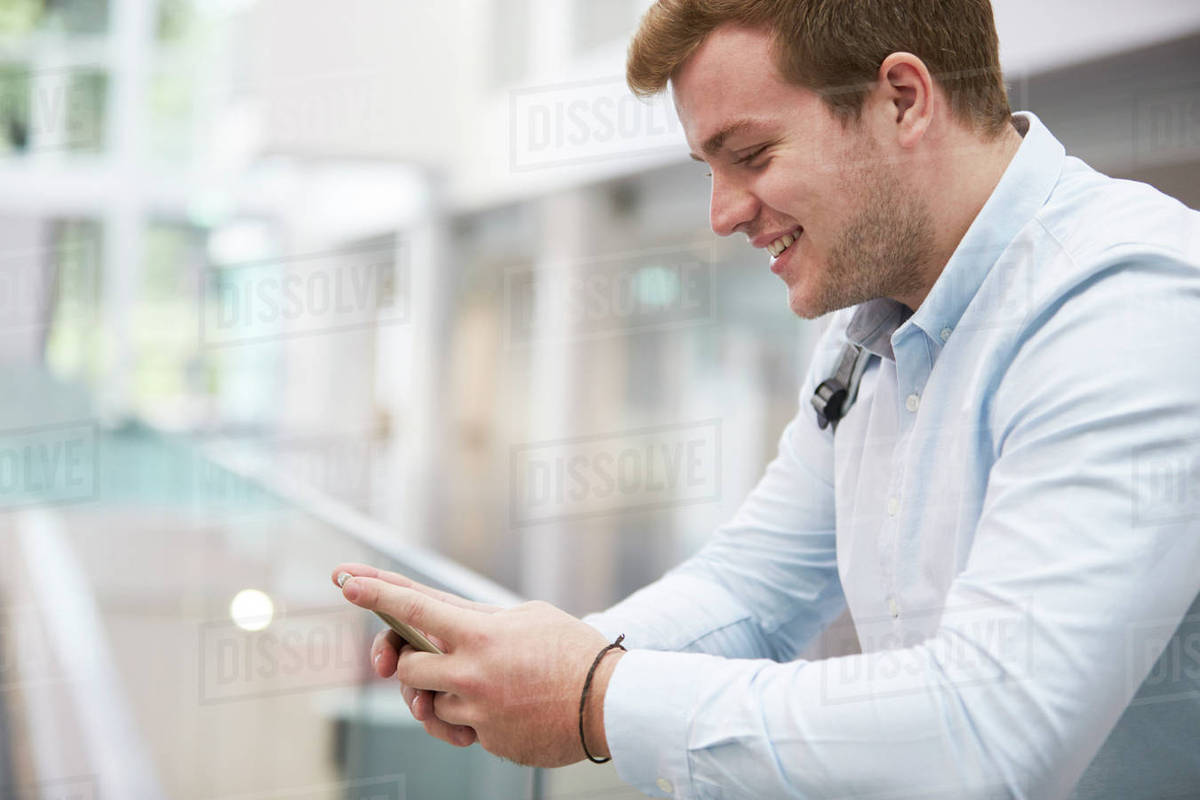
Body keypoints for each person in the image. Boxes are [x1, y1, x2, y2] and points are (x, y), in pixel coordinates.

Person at [334, 1, 1200, 796]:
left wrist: (597, 696)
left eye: (750, 156)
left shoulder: (1128, 303)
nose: (721, 214)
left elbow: (990, 727)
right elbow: (753, 590)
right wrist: (530, 663)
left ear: (902, 99)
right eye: (708, 166)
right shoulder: (869, 333)